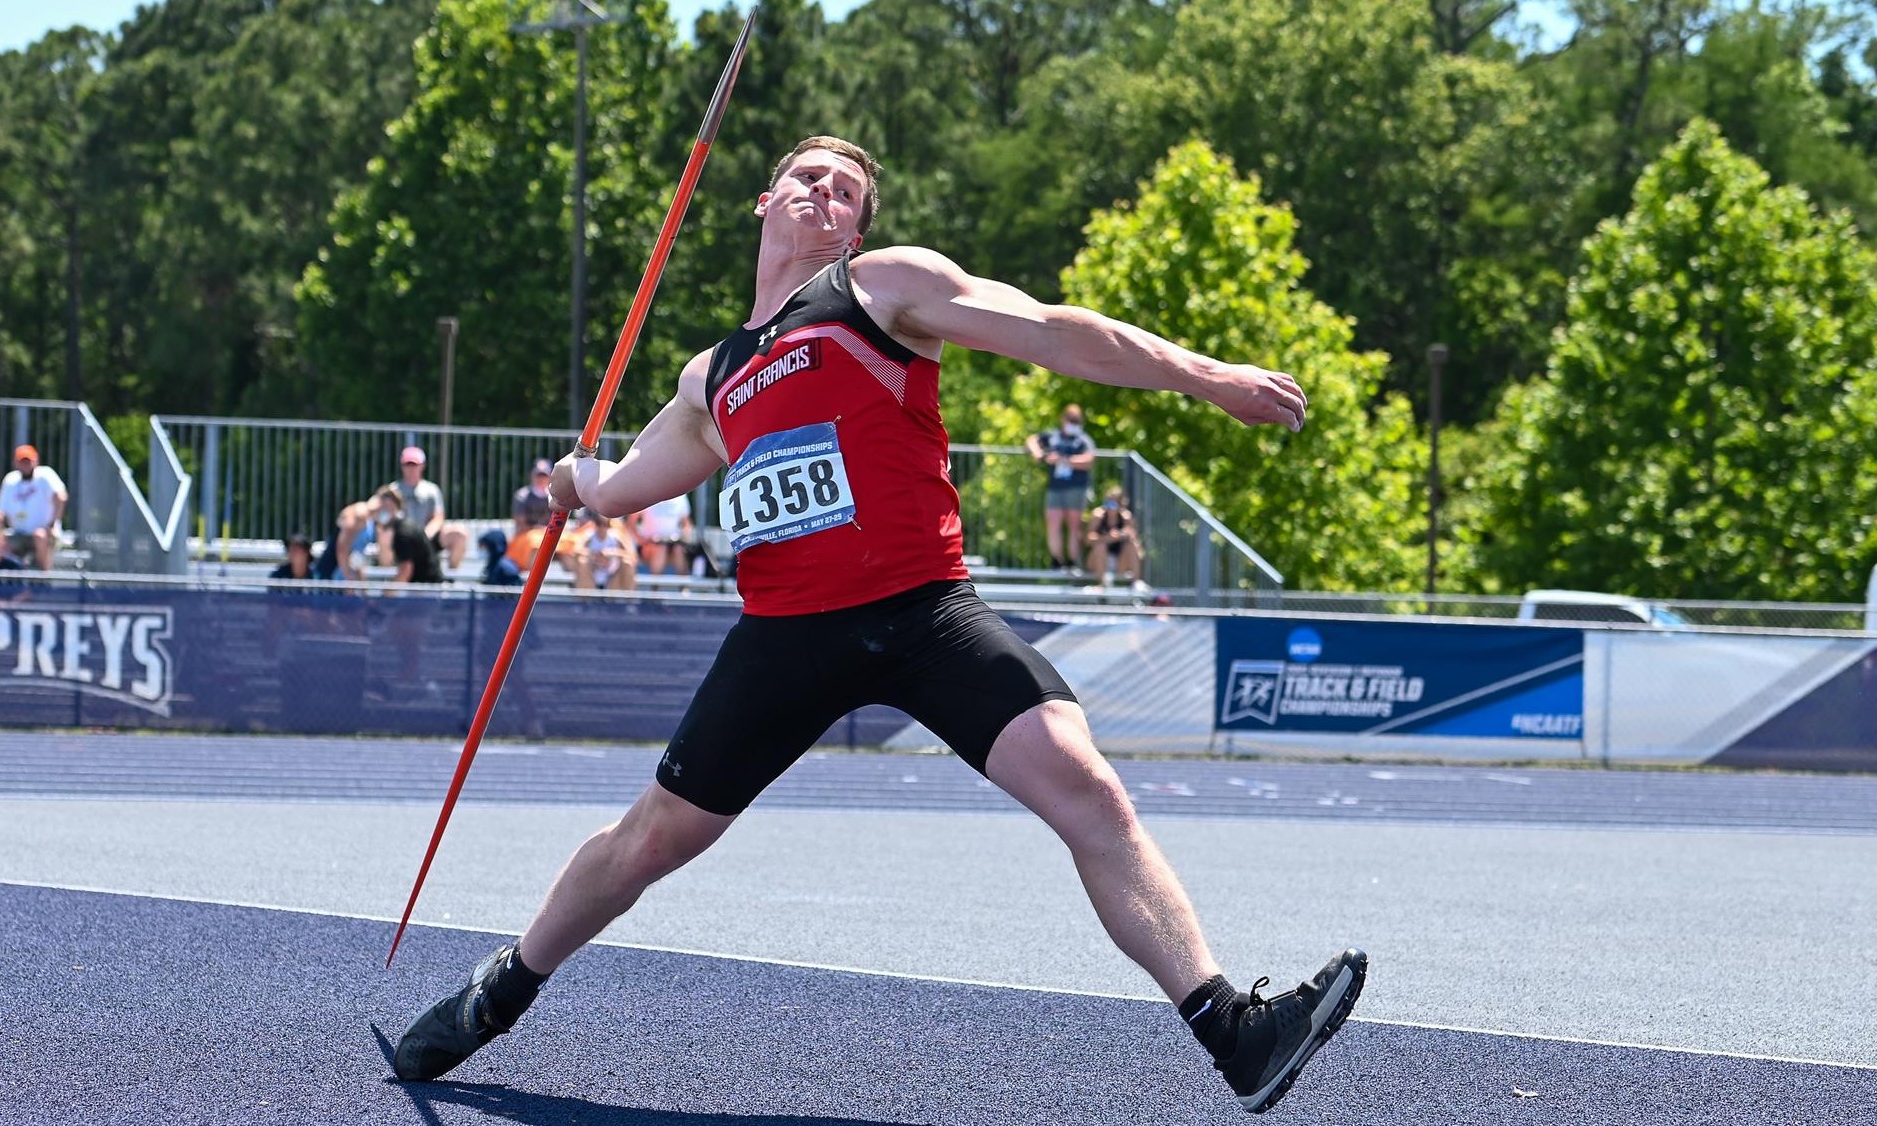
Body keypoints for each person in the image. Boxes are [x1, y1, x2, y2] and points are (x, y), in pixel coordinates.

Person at [393, 136, 1355, 1116]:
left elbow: (1056, 333)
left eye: (845, 191)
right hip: (785, 636)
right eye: (809, 178)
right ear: (765, 200)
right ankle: (500, 988)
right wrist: (569, 479)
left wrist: (1205, 377)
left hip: (921, 610)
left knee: (1087, 785)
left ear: (857, 226)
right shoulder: (709, 377)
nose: (824, 194)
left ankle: (1234, 1032)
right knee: (646, 841)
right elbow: (621, 485)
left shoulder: (883, 288)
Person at [1025, 404, 1097, 572]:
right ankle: (1056, 561)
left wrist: (1063, 459)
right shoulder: (1053, 436)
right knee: (1053, 522)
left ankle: (1072, 562)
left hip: (1076, 487)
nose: (1072, 423)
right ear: (1063, 419)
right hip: (1055, 487)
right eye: (1070, 419)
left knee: (1074, 525)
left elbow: (1089, 460)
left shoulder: (1083, 439)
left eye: (1076, 420)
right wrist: (1039, 454)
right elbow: (1031, 440)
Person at [392, 446, 468, 571]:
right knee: (385, 534)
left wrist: (423, 536)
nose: (411, 468)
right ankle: (385, 577)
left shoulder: (432, 490)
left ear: (422, 466)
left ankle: (452, 577)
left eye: (414, 464)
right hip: (402, 538)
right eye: (408, 464)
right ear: (402, 466)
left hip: (428, 538)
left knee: (460, 533)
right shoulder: (393, 490)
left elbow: (438, 518)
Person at [0, 445, 68, 571]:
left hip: (44, 533)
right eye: (22, 461)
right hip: (18, 533)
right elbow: (0, 511)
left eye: (28, 461)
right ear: (16, 463)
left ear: (36, 461)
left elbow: (61, 497)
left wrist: (52, 524)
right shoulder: (10, 479)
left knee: (39, 536)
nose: (25, 464)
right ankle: (8, 582)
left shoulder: (45, 475)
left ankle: (44, 579)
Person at [375, 485, 443, 585]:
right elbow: (385, 563)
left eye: (388, 507)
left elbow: (405, 571)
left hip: (427, 587)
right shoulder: (393, 530)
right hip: (418, 584)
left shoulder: (404, 533)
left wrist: (387, 594)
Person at [1083, 484, 1144, 588]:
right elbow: (1087, 540)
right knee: (1100, 546)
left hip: (1120, 563)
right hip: (1098, 561)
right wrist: (1107, 538)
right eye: (1109, 502)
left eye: (1115, 503)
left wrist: (1124, 535)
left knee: (1132, 545)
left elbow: (1137, 546)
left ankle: (1137, 582)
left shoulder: (1126, 518)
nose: (1111, 506)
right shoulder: (1098, 515)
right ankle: (1102, 584)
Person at [631, 493, 694, 576]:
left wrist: (683, 538)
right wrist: (642, 540)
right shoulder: (646, 493)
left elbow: (687, 524)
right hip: (649, 545)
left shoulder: (681, 496)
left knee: (678, 549)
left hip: (673, 544)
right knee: (661, 548)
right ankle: (655, 585)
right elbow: (631, 523)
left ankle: (684, 585)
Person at [573, 512, 636, 591]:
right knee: (582, 561)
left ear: (609, 526)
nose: (602, 528)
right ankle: (586, 596)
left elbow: (631, 554)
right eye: (599, 524)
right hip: (592, 571)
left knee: (628, 563)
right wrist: (593, 554)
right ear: (595, 525)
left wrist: (612, 553)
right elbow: (576, 551)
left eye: (605, 525)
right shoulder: (589, 537)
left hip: (613, 574)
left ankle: (628, 598)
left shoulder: (616, 537)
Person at [512, 459, 555, 536]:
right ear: (532, 476)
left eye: (544, 476)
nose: (541, 479)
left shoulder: (554, 496)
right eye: (539, 475)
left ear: (549, 476)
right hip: (527, 536)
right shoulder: (522, 496)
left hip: (548, 535)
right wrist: (537, 530)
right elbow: (520, 524)